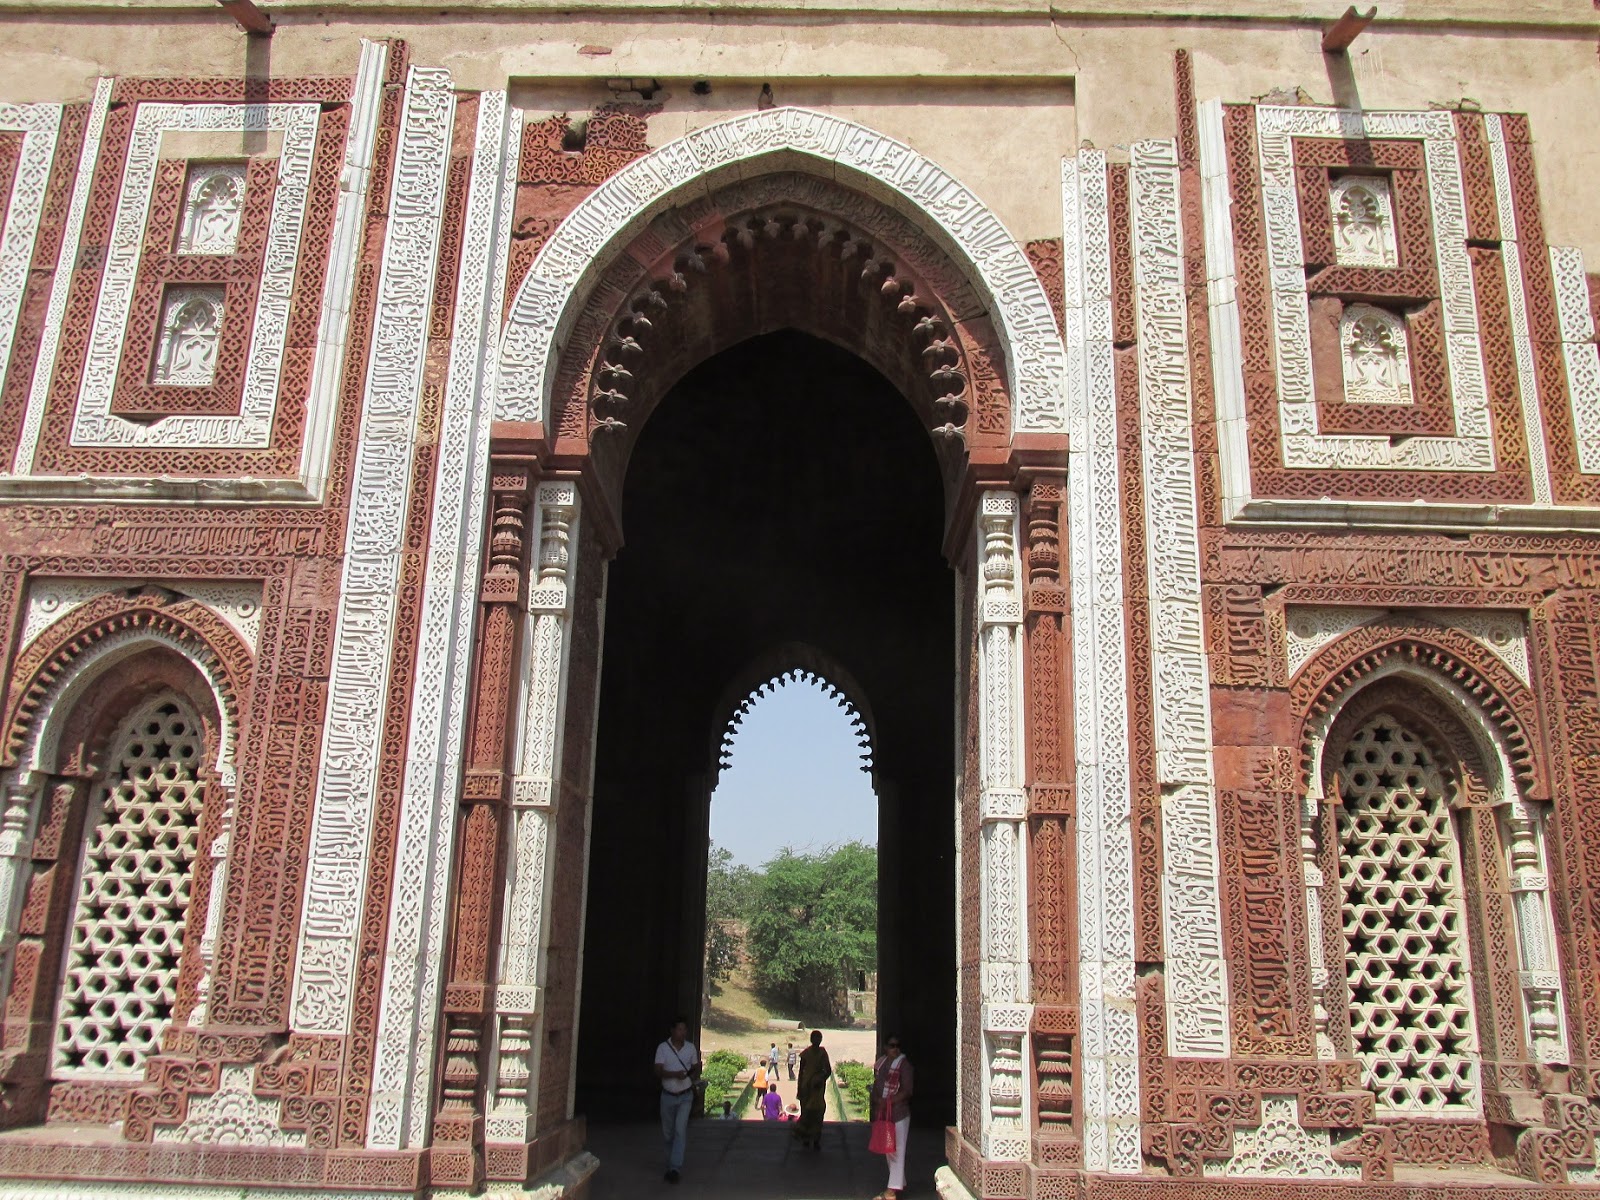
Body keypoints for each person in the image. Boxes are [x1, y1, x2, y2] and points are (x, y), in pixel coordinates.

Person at [653, 1017, 700, 1185]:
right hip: (668, 1095)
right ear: (672, 1031)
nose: (683, 1033)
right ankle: (670, 1162)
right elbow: (658, 1071)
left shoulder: (690, 1048)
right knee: (668, 1133)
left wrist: (691, 1076)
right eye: (680, 1029)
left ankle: (675, 1167)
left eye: (684, 1030)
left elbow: (696, 1066)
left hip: (685, 1095)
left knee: (680, 1130)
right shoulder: (663, 1048)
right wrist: (675, 1075)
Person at [872, 1035, 913, 1200]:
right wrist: (877, 1100)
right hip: (884, 1113)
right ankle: (899, 1182)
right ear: (885, 1048)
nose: (895, 1049)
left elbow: (907, 1091)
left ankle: (891, 1192)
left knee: (896, 1151)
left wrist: (888, 1101)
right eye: (891, 1046)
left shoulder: (904, 1066)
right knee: (889, 1151)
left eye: (898, 1046)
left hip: (899, 1113)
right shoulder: (881, 1065)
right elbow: (876, 1086)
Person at [793, 1029, 831, 1150]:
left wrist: (820, 1079)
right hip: (806, 1087)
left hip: (817, 1088)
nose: (816, 1041)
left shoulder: (822, 1053)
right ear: (811, 1040)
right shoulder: (806, 1053)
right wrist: (799, 1088)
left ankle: (815, 1139)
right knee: (806, 1113)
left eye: (818, 1039)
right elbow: (801, 1071)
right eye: (815, 1039)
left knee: (818, 1113)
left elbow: (828, 1070)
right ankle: (806, 1137)